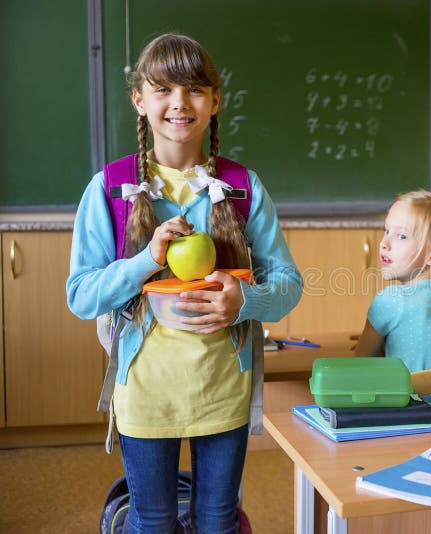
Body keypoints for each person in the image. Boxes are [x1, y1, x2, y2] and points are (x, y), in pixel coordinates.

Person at [66, 34, 302, 533]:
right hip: (145, 392)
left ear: (214, 102)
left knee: (218, 521)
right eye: (163, 89)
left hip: (223, 391)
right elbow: (81, 296)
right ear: (139, 99)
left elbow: (289, 283)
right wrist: (145, 261)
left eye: (194, 89)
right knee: (152, 521)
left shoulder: (243, 187)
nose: (179, 102)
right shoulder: (110, 187)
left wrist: (246, 301)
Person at [354, 190, 431, 372]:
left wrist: (373, 344)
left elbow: (360, 364)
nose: (383, 243)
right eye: (387, 231)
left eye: (401, 236)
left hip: (412, 392)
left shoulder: (391, 300)